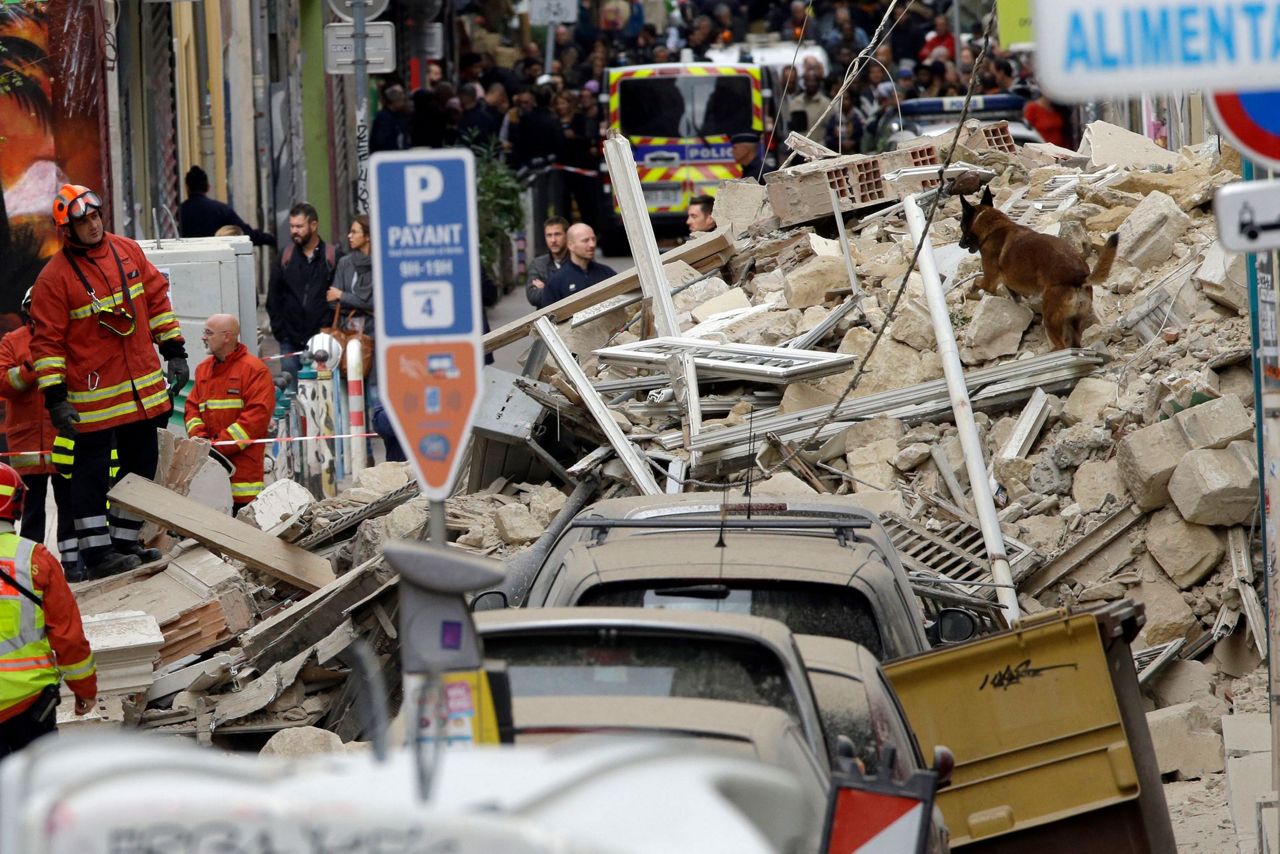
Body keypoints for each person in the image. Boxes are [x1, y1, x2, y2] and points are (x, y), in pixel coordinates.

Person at [30, 184, 187, 579]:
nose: (93, 225)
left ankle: (124, 541)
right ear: (68, 230)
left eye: (96, 216)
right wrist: (56, 399)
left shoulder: (127, 251)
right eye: (83, 221)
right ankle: (98, 554)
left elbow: (157, 301)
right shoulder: (54, 279)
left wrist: (175, 350)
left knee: (142, 463)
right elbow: (47, 344)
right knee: (91, 472)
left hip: (141, 388)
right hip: (94, 395)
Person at [0, 461, 96, 756]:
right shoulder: (34, 558)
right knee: (36, 782)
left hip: (28, 704)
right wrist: (84, 688)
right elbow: (67, 635)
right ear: (16, 503)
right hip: (28, 703)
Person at [0, 288, 77, 572]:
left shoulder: (68, 336)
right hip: (28, 440)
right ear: (27, 309)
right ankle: (29, 569)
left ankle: (73, 564)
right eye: (35, 305)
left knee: (69, 503)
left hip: (62, 435)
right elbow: (4, 384)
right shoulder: (13, 341)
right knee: (30, 510)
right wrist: (33, 365)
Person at [184, 314, 275, 512]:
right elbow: (192, 410)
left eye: (209, 333)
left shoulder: (254, 371)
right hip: (208, 472)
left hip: (243, 477)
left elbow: (254, 420)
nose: (203, 337)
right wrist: (201, 441)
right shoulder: (203, 370)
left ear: (227, 337)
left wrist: (215, 449)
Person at [266, 203, 338, 388]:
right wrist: (281, 333)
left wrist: (329, 327)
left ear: (314, 225)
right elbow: (273, 297)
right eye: (292, 226)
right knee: (291, 392)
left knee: (323, 391)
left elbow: (337, 298)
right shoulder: (285, 257)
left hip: (322, 340)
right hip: (290, 341)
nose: (294, 231)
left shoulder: (332, 257)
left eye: (299, 226)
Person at [178, 166, 275, 246]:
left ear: (187, 188)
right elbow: (245, 234)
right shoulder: (221, 210)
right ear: (208, 187)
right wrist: (269, 239)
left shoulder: (179, 212)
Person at [539, 224, 616, 306]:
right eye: (585, 240)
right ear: (570, 245)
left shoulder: (607, 273)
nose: (592, 244)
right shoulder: (556, 282)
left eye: (593, 239)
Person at [525, 216, 570, 307]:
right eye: (549, 235)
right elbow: (533, 297)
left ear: (567, 236)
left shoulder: (577, 261)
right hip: (548, 315)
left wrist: (546, 289)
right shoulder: (537, 264)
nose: (553, 240)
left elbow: (582, 291)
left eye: (557, 234)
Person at [370, 84, 412, 154]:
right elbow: (381, 142)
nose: (403, 100)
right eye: (400, 99)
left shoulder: (401, 116)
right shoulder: (384, 118)